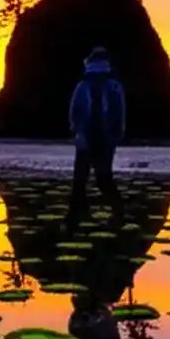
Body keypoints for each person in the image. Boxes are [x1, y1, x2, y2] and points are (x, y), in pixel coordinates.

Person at [68, 46, 126, 225]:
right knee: (101, 176)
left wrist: (76, 131)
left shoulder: (85, 84)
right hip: (103, 137)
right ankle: (116, 213)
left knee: (82, 177)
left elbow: (75, 111)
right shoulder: (113, 85)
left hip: (91, 136)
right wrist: (117, 134)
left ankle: (77, 214)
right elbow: (120, 112)